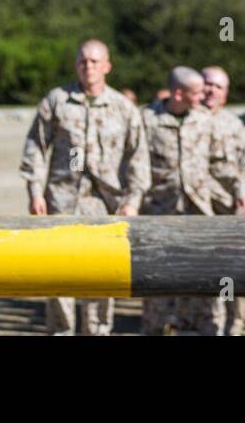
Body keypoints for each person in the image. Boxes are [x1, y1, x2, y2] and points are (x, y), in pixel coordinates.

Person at [20, 39, 149, 335]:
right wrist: (35, 192)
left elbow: (138, 157)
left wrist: (133, 200)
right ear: (75, 65)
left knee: (101, 277)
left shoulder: (122, 108)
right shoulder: (57, 101)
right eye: (82, 61)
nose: (88, 67)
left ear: (107, 66)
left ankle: (98, 332)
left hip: (106, 206)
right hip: (61, 202)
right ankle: (61, 331)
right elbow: (36, 148)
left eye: (94, 61)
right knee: (59, 276)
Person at [140, 67, 241, 335]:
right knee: (156, 286)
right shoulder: (146, 121)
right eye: (197, 92)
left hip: (199, 216)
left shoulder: (204, 120)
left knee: (203, 281)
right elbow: (134, 167)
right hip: (159, 217)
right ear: (177, 93)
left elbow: (222, 165)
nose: (203, 97)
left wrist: (239, 195)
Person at [200, 65, 245, 336]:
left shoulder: (235, 126)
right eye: (207, 84)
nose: (211, 90)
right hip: (193, 213)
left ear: (226, 94)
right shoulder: (184, 117)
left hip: (226, 214)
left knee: (231, 274)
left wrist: (244, 197)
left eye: (218, 87)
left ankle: (233, 327)